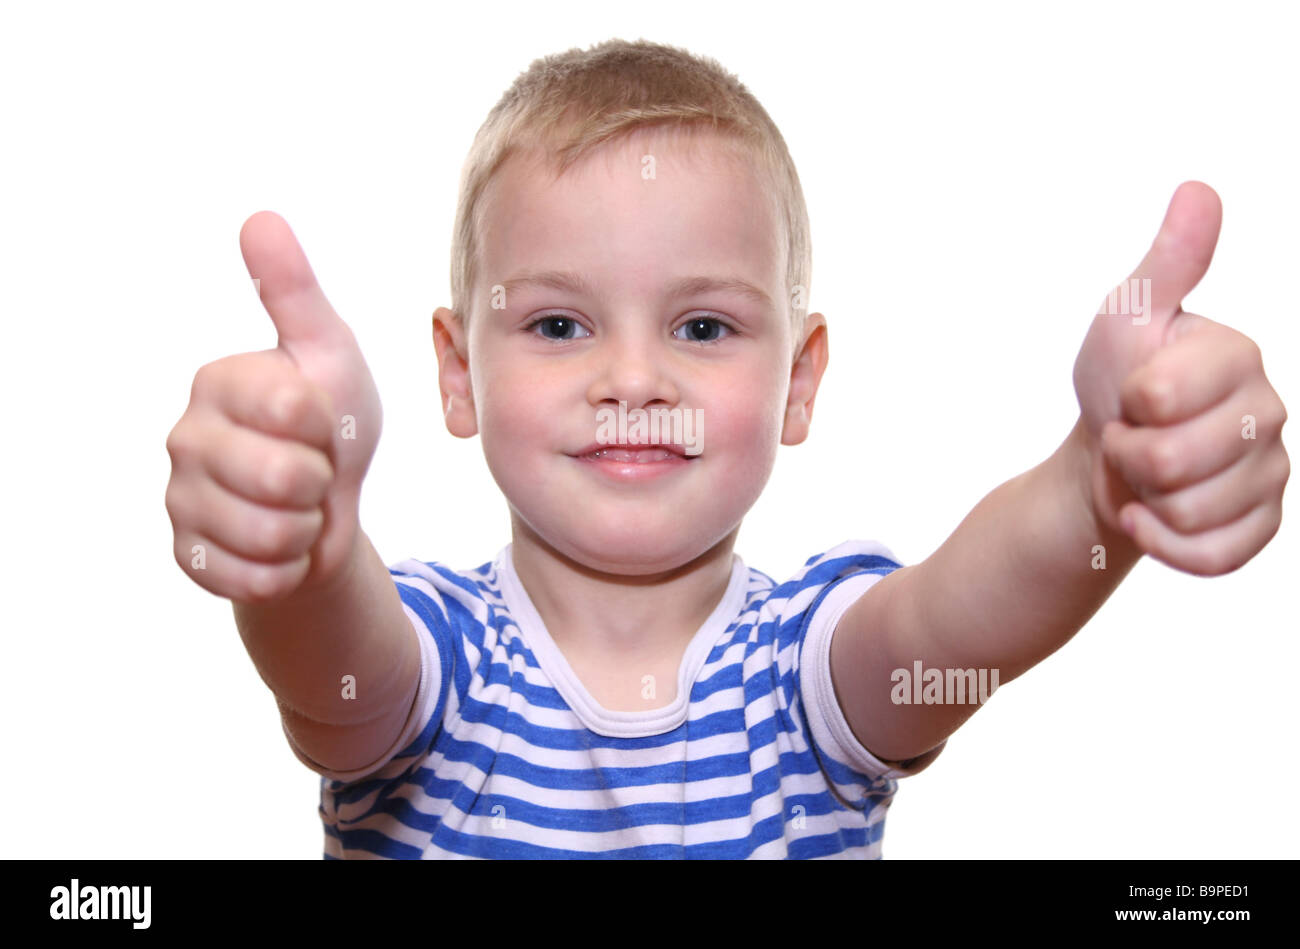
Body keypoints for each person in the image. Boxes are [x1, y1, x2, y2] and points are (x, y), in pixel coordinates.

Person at [164, 38, 1290, 858]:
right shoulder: (435, 659)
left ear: (798, 381)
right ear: (460, 374)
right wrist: (303, 543)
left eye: (703, 327)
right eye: (559, 324)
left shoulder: (807, 673)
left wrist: (1098, 481)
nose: (634, 381)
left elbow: (957, 619)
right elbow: (332, 666)